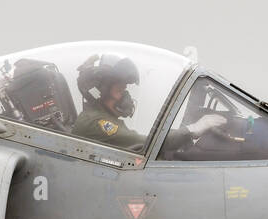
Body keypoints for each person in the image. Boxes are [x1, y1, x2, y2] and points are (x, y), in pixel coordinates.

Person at [73, 53, 225, 152]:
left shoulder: (102, 118)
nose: (125, 98)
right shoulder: (95, 123)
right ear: (99, 92)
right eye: (120, 91)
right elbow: (145, 143)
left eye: (125, 90)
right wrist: (191, 130)